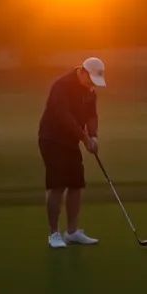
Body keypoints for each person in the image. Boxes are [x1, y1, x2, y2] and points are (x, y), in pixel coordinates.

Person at [38, 57, 106, 249]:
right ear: (82, 71)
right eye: (90, 79)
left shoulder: (90, 91)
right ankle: (54, 234)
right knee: (57, 186)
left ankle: (72, 232)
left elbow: (92, 115)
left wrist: (94, 136)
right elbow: (63, 116)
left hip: (70, 142)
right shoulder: (62, 85)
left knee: (76, 184)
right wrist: (85, 139)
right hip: (51, 139)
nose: (92, 84)